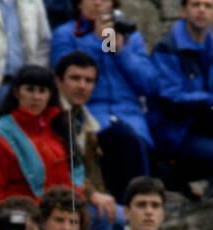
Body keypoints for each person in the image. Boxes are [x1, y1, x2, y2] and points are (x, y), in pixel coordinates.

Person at [50, 0, 157, 200]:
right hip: (91, 114)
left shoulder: (130, 35)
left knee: (133, 142)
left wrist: (120, 51)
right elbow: (69, 79)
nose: (97, 3)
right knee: (122, 142)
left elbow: (148, 84)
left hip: (130, 116)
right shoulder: (65, 35)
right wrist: (101, 44)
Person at [149, 0, 213, 186]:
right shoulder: (167, 48)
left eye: (208, 6)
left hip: (203, 123)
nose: (201, 10)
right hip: (175, 131)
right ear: (183, 11)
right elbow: (170, 99)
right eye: (196, 5)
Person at [0, 64, 81, 222]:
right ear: (17, 92)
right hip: (21, 219)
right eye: (30, 89)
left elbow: (75, 176)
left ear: (50, 95)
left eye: (42, 91)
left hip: (60, 216)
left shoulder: (59, 129)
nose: (36, 97)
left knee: (104, 216)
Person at [55, 51, 119, 230]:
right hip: (62, 198)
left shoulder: (85, 120)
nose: (82, 86)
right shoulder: (53, 118)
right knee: (103, 218)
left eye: (89, 80)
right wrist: (93, 195)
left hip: (81, 195)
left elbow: (92, 172)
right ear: (59, 81)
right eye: (75, 78)